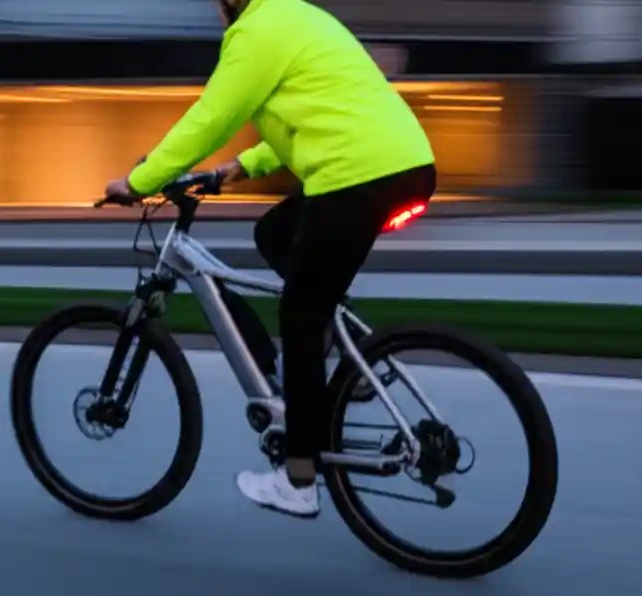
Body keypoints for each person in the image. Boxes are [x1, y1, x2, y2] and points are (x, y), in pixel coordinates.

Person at [104, 0, 437, 519]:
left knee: (301, 313)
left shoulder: (255, 32)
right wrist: (236, 168)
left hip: (357, 179)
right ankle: (337, 362)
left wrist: (138, 182)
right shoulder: (299, 17)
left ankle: (298, 479)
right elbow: (313, 119)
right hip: (403, 166)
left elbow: (211, 118)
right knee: (275, 234)